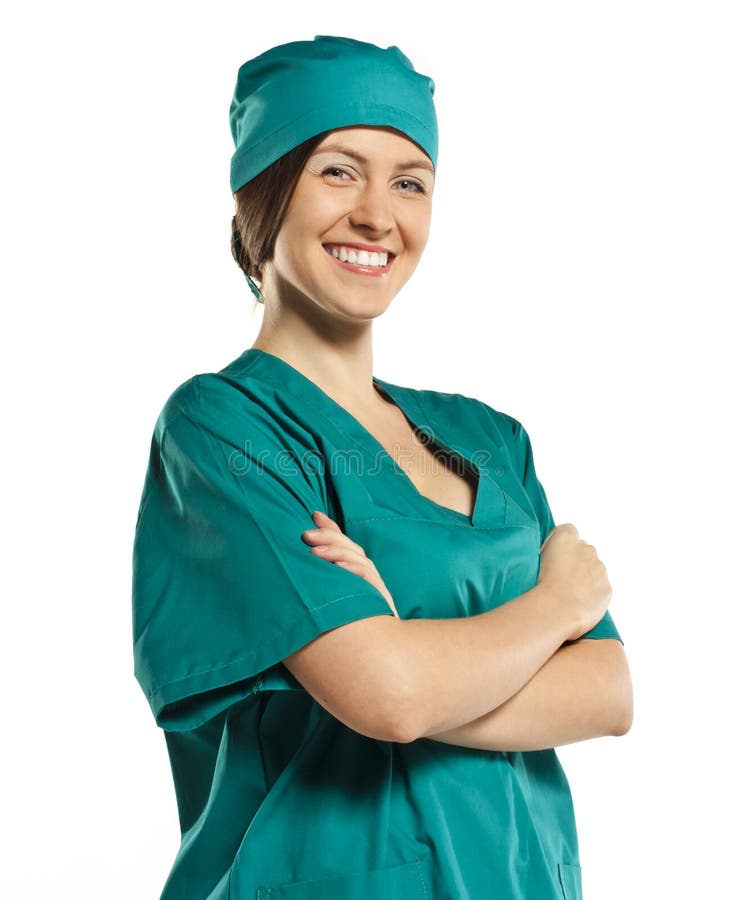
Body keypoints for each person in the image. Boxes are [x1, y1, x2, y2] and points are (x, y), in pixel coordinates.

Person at [132, 34, 633, 900]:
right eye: (337, 170)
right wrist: (550, 609)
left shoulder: (489, 437)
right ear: (264, 197)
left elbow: (606, 692)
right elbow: (390, 698)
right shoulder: (225, 428)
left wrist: (408, 656)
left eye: (409, 181)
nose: (376, 214)